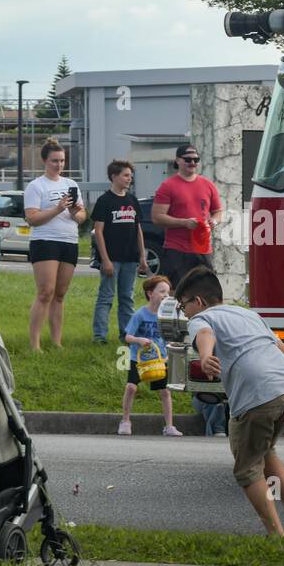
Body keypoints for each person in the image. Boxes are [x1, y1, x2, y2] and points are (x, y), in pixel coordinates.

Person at [176, 266, 284, 536]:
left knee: (248, 469)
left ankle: (276, 535)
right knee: (265, 453)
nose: (185, 313)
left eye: (183, 306)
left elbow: (205, 335)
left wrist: (205, 357)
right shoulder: (248, 314)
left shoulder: (201, 319)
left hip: (256, 396)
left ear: (198, 302)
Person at [24, 138, 86, 350]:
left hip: (69, 241)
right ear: (44, 161)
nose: (59, 165)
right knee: (45, 292)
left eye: (62, 161)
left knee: (59, 295)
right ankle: (35, 344)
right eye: (54, 161)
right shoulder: (36, 186)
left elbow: (82, 216)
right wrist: (57, 209)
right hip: (45, 241)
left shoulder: (71, 184)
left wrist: (73, 212)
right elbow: (32, 218)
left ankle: (56, 342)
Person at [92, 160, 149, 344]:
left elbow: (138, 229)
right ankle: (100, 336)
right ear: (114, 176)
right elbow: (98, 232)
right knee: (106, 297)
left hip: (130, 258)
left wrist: (142, 256)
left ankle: (126, 334)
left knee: (127, 298)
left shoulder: (132, 200)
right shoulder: (104, 201)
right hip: (112, 259)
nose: (129, 180)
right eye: (125, 175)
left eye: (131, 177)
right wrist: (105, 259)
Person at [152, 143, 222, 287]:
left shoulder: (208, 185)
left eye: (196, 160)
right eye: (188, 159)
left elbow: (218, 211)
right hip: (177, 249)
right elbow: (157, 217)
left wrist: (214, 221)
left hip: (203, 249)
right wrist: (184, 223)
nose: (192, 163)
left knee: (206, 291)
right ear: (178, 160)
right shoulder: (168, 186)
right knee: (177, 292)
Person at [120, 275, 182, 437]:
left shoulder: (166, 316)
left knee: (165, 391)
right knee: (131, 387)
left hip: (159, 359)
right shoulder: (140, 314)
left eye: (168, 293)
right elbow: (127, 337)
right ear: (150, 293)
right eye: (161, 291)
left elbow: (171, 336)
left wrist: (169, 351)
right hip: (138, 359)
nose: (165, 295)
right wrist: (139, 340)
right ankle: (125, 421)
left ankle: (169, 426)